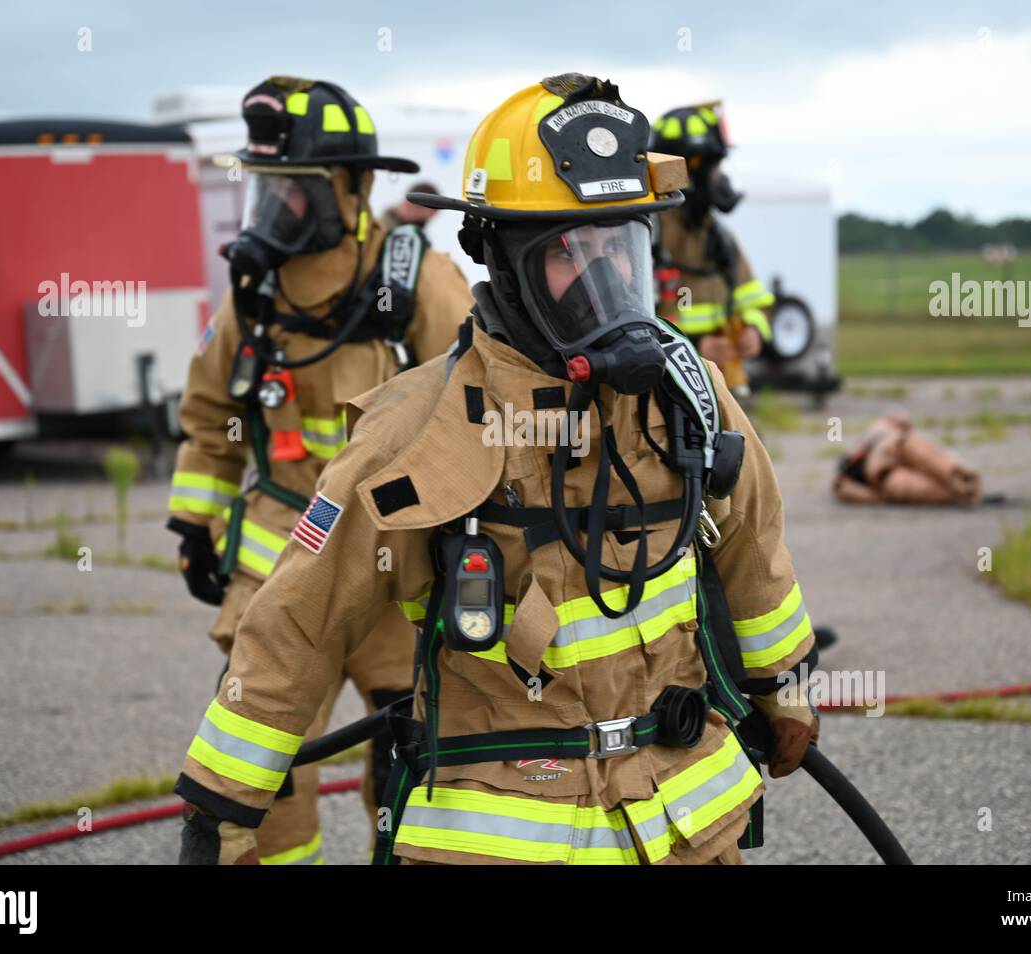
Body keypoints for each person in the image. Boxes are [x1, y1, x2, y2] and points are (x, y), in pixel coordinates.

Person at [176, 73, 819, 866]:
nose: (604, 280)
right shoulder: (415, 431)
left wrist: (783, 685)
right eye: (569, 253)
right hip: (509, 839)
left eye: (621, 247)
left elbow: (753, 549)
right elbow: (299, 622)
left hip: (684, 824)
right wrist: (225, 804)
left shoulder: (688, 395)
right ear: (502, 261)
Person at [166, 76, 473, 865]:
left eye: (293, 191)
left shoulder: (417, 285)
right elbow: (210, 417)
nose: (274, 209)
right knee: (257, 760)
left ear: (350, 186)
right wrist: (194, 520)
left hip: (393, 558)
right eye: (266, 189)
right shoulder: (255, 295)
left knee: (411, 755)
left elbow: (480, 409)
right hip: (277, 560)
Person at [648, 102, 775, 394]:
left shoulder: (718, 237)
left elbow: (755, 301)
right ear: (688, 171)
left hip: (719, 394)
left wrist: (753, 330)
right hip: (666, 395)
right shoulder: (649, 236)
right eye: (715, 167)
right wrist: (694, 347)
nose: (720, 178)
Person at [834, 410, 984, 505]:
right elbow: (899, 420)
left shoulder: (876, 435)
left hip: (886, 475)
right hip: (885, 465)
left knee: (917, 484)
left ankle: (962, 486)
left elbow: (898, 419)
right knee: (911, 447)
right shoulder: (877, 439)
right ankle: (960, 478)